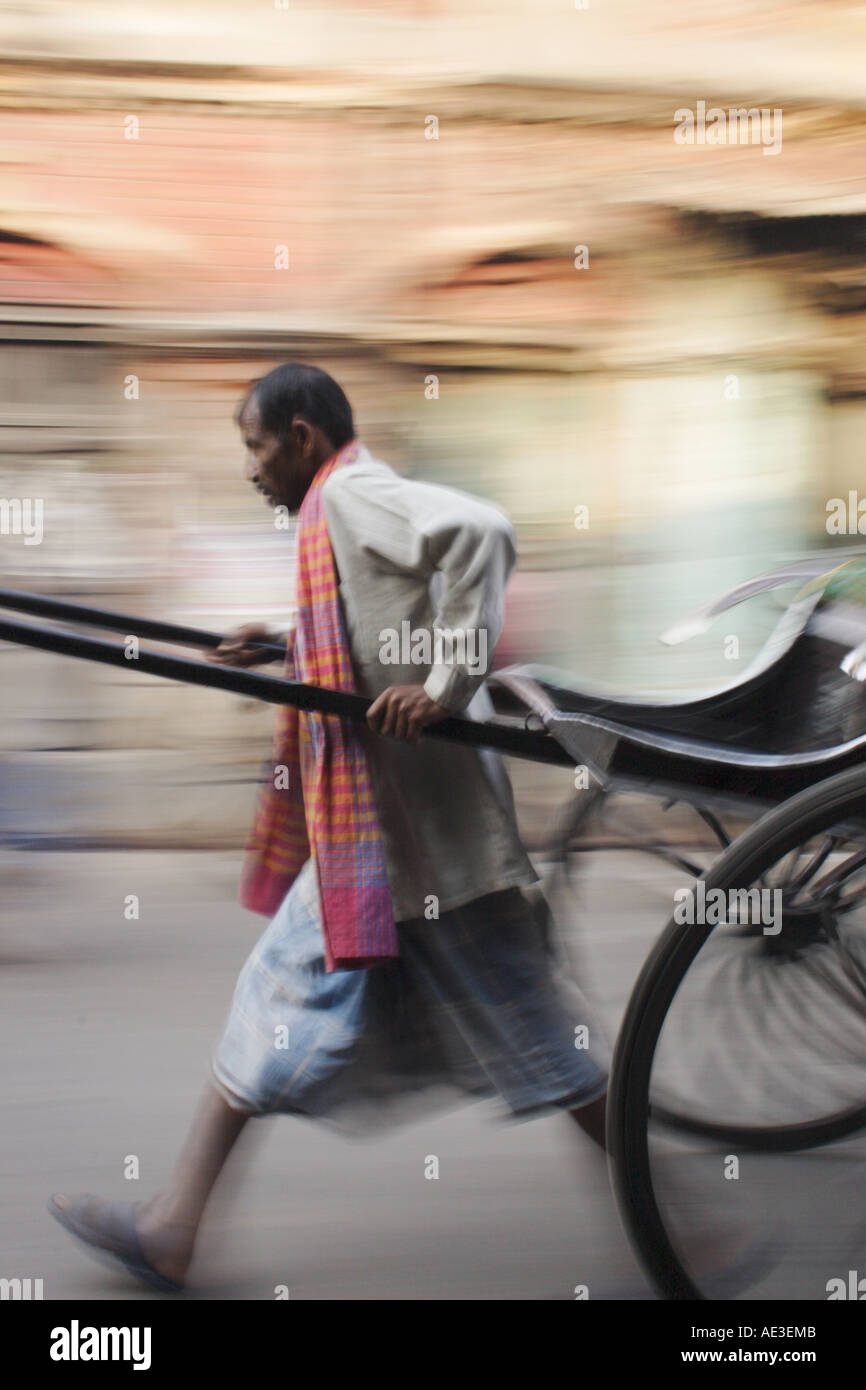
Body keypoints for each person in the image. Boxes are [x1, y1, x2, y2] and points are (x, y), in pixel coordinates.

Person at [47, 363, 608, 1294]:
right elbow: (371, 624)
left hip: (420, 837)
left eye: (254, 445)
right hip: (386, 837)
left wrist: (442, 690)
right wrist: (282, 644)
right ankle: (175, 1226)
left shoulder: (349, 495)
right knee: (301, 998)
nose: (251, 466)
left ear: (301, 437)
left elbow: (483, 532)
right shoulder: (336, 511)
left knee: (543, 1036)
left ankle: (690, 1229)